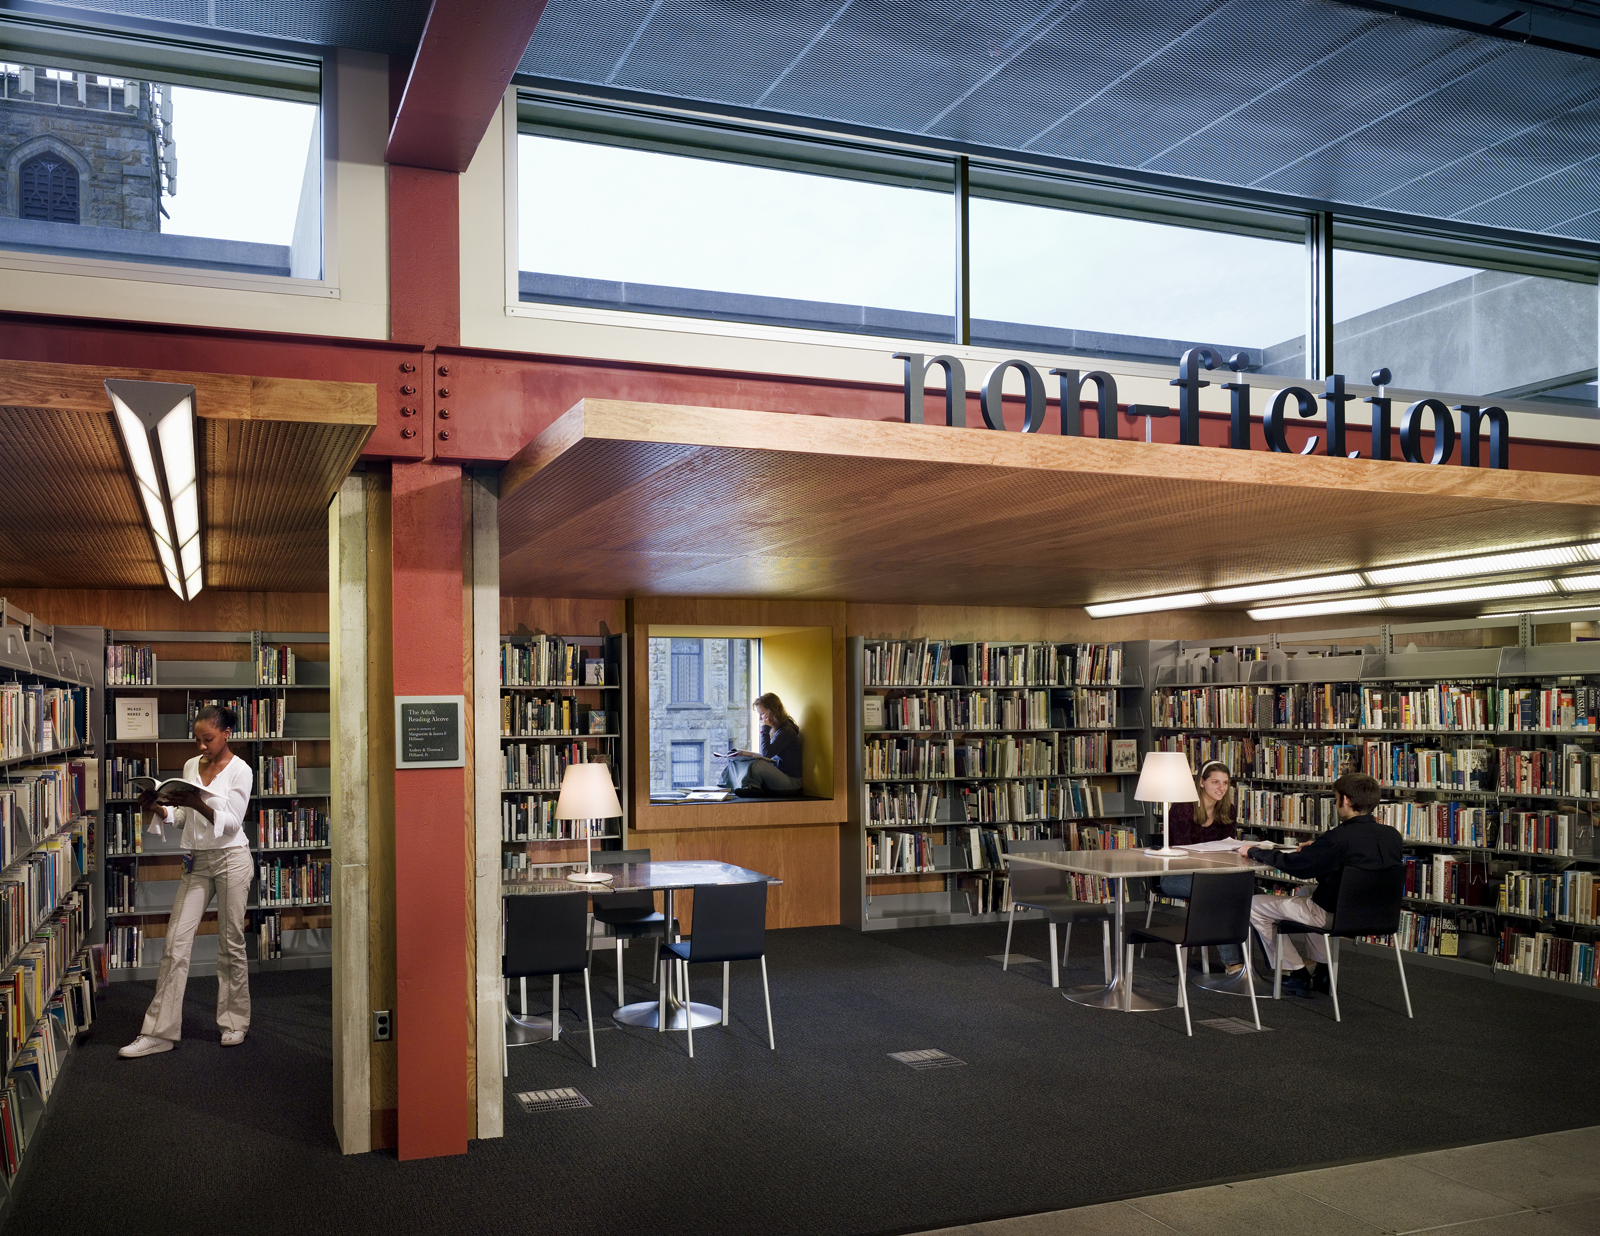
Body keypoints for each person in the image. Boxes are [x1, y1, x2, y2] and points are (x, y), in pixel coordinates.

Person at [120, 704, 256, 1056]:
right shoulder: (191, 766)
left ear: (226, 733)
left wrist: (197, 803)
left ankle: (234, 1022)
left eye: (208, 739)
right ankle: (159, 1032)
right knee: (175, 944)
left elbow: (233, 824)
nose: (201, 746)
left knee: (231, 943)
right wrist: (158, 808)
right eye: (197, 739)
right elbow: (184, 818)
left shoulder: (241, 771)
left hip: (232, 859)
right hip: (197, 861)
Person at [1237, 770, 1402, 998]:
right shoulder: (1392, 836)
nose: (1336, 803)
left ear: (1345, 800)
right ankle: (1324, 971)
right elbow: (1356, 860)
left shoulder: (1339, 837)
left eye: (1336, 798)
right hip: (1379, 915)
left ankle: (1294, 971)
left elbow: (1298, 866)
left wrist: (1255, 851)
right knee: (1307, 892)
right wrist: (1317, 848)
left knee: (1254, 905)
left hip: (1336, 915)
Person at [1156, 760, 1245, 974]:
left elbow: (1227, 849)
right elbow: (1183, 851)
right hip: (1176, 875)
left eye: (1225, 783)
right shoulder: (1183, 809)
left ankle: (1280, 964)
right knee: (1215, 893)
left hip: (1213, 874)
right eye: (1215, 782)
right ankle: (1233, 963)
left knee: (1250, 892)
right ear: (1202, 783)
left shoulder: (1228, 810)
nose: (1221, 788)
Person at [718, 692, 803, 796]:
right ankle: (726, 788)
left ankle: (753, 787)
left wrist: (765, 729)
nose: (760, 718)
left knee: (758, 765)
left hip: (791, 782)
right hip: (778, 775)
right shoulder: (776, 728)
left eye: (762, 713)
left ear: (773, 711)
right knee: (737, 762)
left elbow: (766, 753)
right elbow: (766, 754)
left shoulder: (786, 730)